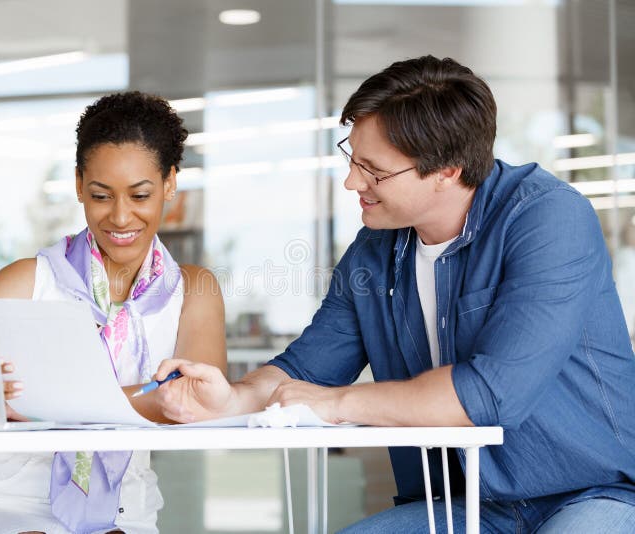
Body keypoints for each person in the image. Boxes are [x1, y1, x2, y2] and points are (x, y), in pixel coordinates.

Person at [154, 56, 635, 533]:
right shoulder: (374, 248)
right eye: (352, 158)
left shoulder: (547, 219)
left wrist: (337, 403)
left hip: (588, 492)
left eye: (374, 171)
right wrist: (231, 400)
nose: (352, 182)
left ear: (447, 168)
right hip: (463, 504)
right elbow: (304, 371)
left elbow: (490, 395)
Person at [0, 92, 226, 534]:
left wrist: (42, 404)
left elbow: (195, 402)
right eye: (101, 195)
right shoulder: (25, 282)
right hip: (1, 496)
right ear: (78, 185)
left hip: (124, 508)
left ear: (170, 183)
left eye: (140, 194)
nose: (121, 216)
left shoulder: (194, 292)